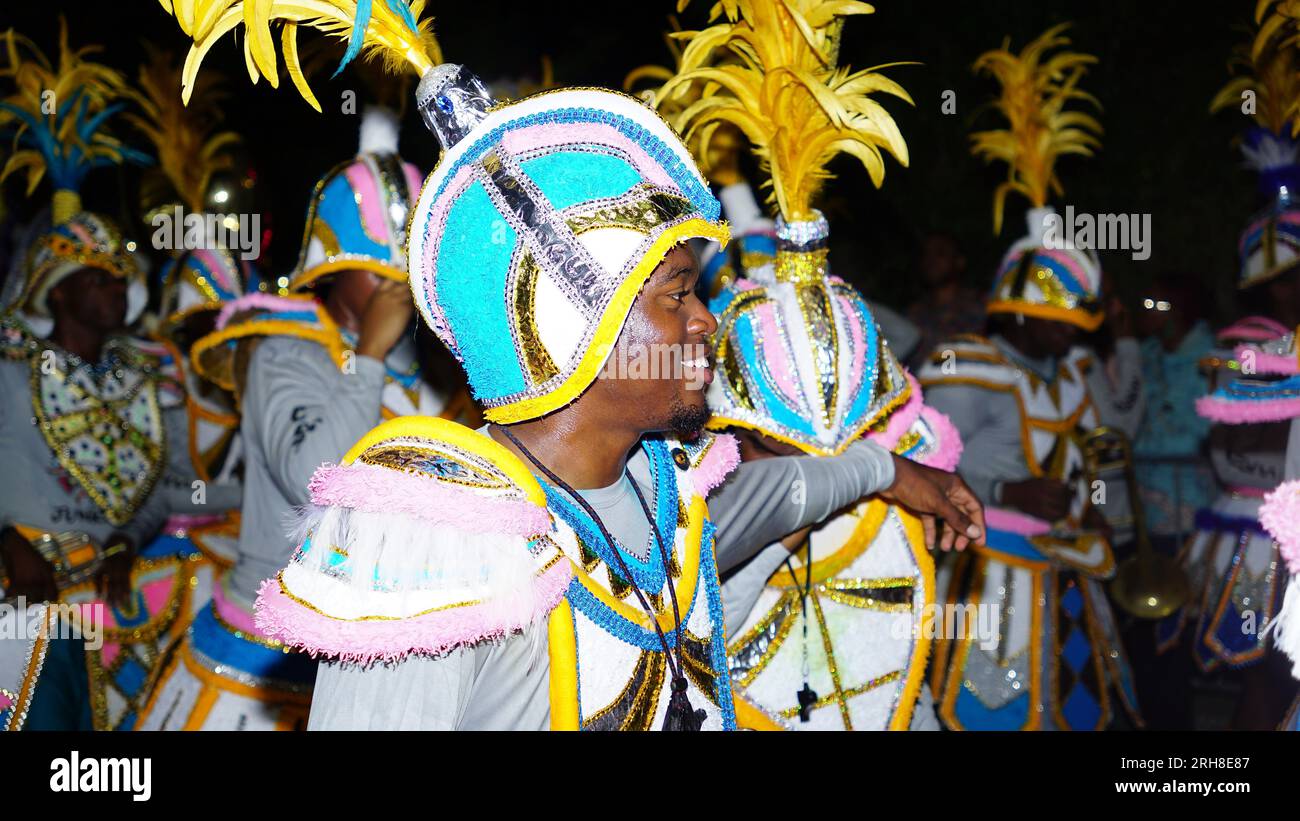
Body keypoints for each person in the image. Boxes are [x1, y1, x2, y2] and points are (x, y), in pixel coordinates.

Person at [142, 0, 985, 730]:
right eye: (678, 294)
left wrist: (886, 470)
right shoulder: (440, 546)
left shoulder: (662, 492)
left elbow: (777, 496)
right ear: (581, 324)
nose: (705, 322)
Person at [658, 1, 968, 731]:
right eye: (784, 450)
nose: (822, 472)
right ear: (725, 436)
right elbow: (695, 640)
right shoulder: (678, 509)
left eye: (849, 444)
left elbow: (898, 680)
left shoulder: (908, 496)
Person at [136, 97, 452, 729]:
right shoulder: (280, 350)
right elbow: (319, 474)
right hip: (262, 653)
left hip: (374, 657)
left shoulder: (425, 366)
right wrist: (367, 358)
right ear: (332, 270)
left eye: (406, 275)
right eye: (379, 272)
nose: (399, 289)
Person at [920, 24, 1141, 730]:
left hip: (1076, 582)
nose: (1073, 337)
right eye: (1057, 323)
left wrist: (1098, 500)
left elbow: (1110, 444)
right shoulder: (962, 365)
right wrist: (1003, 489)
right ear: (1013, 311)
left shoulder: (1077, 365)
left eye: (1081, 327)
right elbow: (912, 468)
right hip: (986, 575)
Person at [906, 232, 985, 370]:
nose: (931, 260)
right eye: (926, 254)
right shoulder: (914, 314)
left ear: (959, 261)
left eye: (940, 253)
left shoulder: (982, 309)